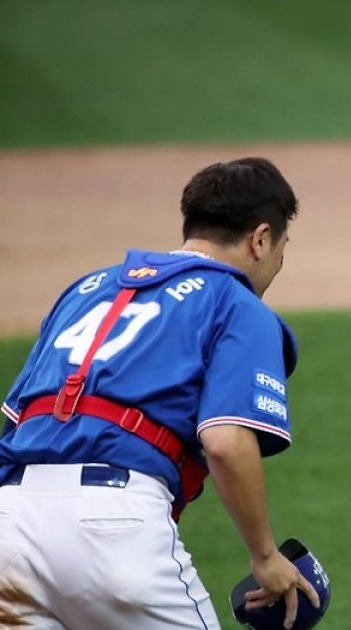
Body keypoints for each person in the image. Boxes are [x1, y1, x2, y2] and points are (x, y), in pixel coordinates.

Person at [0, 157, 321, 628]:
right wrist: (265, 556)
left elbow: (18, 422)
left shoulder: (85, 289)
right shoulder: (236, 302)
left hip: (10, 522)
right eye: (281, 249)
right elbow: (225, 443)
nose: (278, 264)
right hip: (114, 529)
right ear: (260, 239)